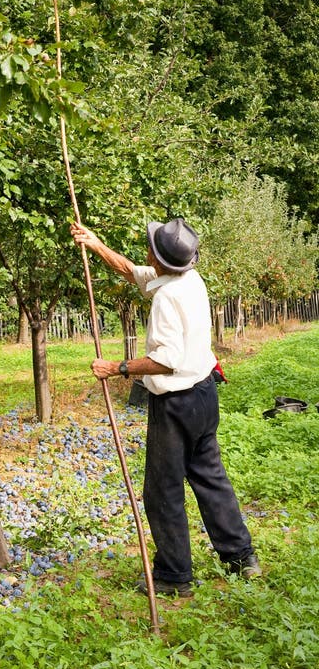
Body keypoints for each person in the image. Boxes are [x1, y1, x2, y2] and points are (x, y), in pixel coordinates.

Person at [71, 217, 261, 596]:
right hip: (205, 394)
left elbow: (167, 360)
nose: (146, 252)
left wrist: (118, 367)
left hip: (177, 404)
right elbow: (133, 271)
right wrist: (95, 245)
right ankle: (242, 559)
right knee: (211, 479)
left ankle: (174, 578)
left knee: (163, 491)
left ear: (159, 259)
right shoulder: (189, 280)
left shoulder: (166, 299)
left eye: (150, 247)